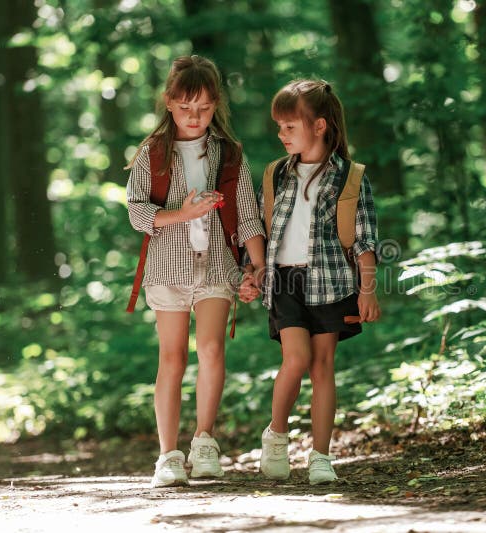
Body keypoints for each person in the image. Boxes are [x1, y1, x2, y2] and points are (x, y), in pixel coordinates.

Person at [126, 55, 265, 488]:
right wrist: (181, 213)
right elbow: (137, 212)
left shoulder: (229, 154)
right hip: (167, 269)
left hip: (217, 269)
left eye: (204, 108)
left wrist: (256, 268)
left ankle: (204, 443)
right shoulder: (152, 152)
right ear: (169, 103)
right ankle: (168, 454)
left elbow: (247, 218)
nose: (194, 116)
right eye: (185, 107)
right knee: (171, 358)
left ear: (216, 104)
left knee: (210, 350)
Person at [256, 79, 380, 485]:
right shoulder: (277, 174)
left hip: (333, 283)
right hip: (285, 281)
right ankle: (276, 436)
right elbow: (262, 228)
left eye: (289, 126)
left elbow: (363, 238)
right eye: (279, 127)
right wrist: (249, 273)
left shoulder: (350, 177)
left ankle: (321, 457)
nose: (281, 134)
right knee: (296, 359)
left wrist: (367, 289)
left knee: (323, 365)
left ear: (320, 126)